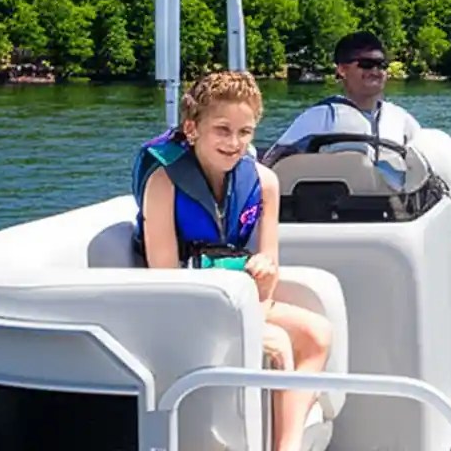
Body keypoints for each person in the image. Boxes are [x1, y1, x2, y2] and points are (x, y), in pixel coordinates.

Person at [130, 70, 332, 451]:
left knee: (318, 333)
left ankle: (285, 446)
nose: (234, 142)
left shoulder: (264, 183)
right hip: (180, 309)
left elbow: (268, 273)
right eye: (222, 130)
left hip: (241, 302)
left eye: (245, 132)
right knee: (276, 343)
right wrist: (246, 323)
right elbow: (165, 283)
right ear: (192, 129)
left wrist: (264, 271)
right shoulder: (164, 183)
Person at [262, 31, 420, 163]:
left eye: (382, 64)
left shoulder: (402, 119)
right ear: (342, 70)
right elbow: (272, 162)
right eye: (366, 64)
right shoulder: (320, 116)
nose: (375, 71)